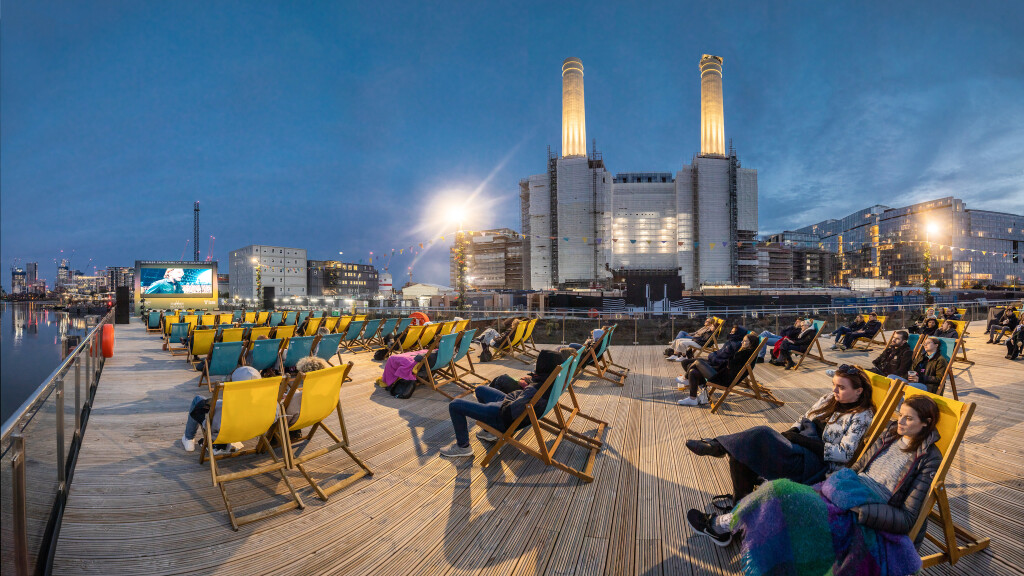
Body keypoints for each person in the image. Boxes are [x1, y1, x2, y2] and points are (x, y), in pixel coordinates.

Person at [687, 395, 940, 576]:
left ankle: (720, 526)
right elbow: (858, 467)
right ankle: (727, 524)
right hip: (846, 489)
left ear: (926, 423)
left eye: (908, 419)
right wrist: (836, 485)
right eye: (900, 415)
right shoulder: (890, 435)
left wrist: (859, 510)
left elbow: (908, 517)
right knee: (778, 494)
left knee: (778, 491)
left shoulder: (929, 457)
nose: (900, 422)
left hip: (867, 508)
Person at [685, 364, 874, 507]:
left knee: (763, 433)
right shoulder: (828, 399)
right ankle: (739, 505)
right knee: (740, 451)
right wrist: (791, 433)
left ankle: (718, 446)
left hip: (814, 464)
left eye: (841, 387)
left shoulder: (861, 416)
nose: (834, 391)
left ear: (858, 391)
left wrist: (800, 440)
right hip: (799, 449)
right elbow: (804, 418)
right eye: (834, 385)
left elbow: (845, 454)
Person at [440, 350, 564, 458]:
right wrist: (512, 396)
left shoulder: (534, 390)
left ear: (543, 366)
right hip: (510, 406)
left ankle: (463, 446)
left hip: (502, 416)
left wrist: (506, 400)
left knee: (455, 405)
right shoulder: (551, 381)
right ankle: (488, 432)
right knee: (480, 390)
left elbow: (510, 411)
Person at [180, 366, 260, 454]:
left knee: (198, 399)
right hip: (249, 428)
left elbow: (215, 424)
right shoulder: (268, 405)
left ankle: (189, 438)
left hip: (228, 428)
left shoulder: (222, 409)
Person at [677, 332, 757, 407]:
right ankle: (692, 399)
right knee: (693, 371)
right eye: (742, 341)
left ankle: (685, 378)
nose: (741, 342)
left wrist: (727, 360)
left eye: (745, 341)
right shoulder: (745, 352)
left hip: (723, 379)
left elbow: (730, 366)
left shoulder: (744, 354)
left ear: (751, 343)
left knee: (698, 362)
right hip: (721, 374)